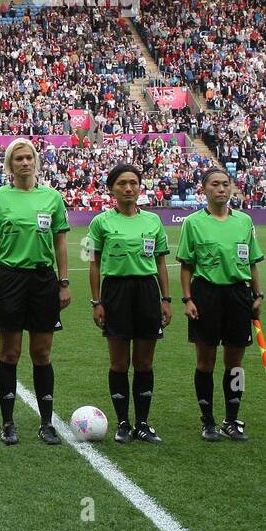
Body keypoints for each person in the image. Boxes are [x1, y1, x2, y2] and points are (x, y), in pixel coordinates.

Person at [0, 138, 71, 445]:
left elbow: (60, 242)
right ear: (10, 164)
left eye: (28, 157)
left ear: (36, 161)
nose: (24, 162)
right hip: (10, 280)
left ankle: (46, 423)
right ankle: (8, 422)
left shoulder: (52, 198)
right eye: (17, 158)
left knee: (42, 353)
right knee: (10, 353)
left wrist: (64, 282)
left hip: (44, 281)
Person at [177, 167, 264, 442]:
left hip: (239, 295)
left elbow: (251, 262)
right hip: (206, 295)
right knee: (206, 362)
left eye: (225, 184)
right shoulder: (193, 222)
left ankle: (231, 418)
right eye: (215, 185)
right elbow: (186, 266)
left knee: (235, 363)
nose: (221, 189)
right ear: (204, 189)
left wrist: (258, 294)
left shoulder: (244, 221)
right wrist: (188, 298)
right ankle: (208, 420)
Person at [88, 164, 171, 444]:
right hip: (115, 293)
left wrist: (166, 299)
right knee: (120, 362)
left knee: (145, 362)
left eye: (133, 183)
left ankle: (143, 423)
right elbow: (94, 263)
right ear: (112, 189)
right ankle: (123, 423)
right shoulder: (101, 222)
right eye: (122, 183)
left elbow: (161, 262)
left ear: (139, 187)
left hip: (147, 291)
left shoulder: (153, 221)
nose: (128, 188)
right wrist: (97, 301)